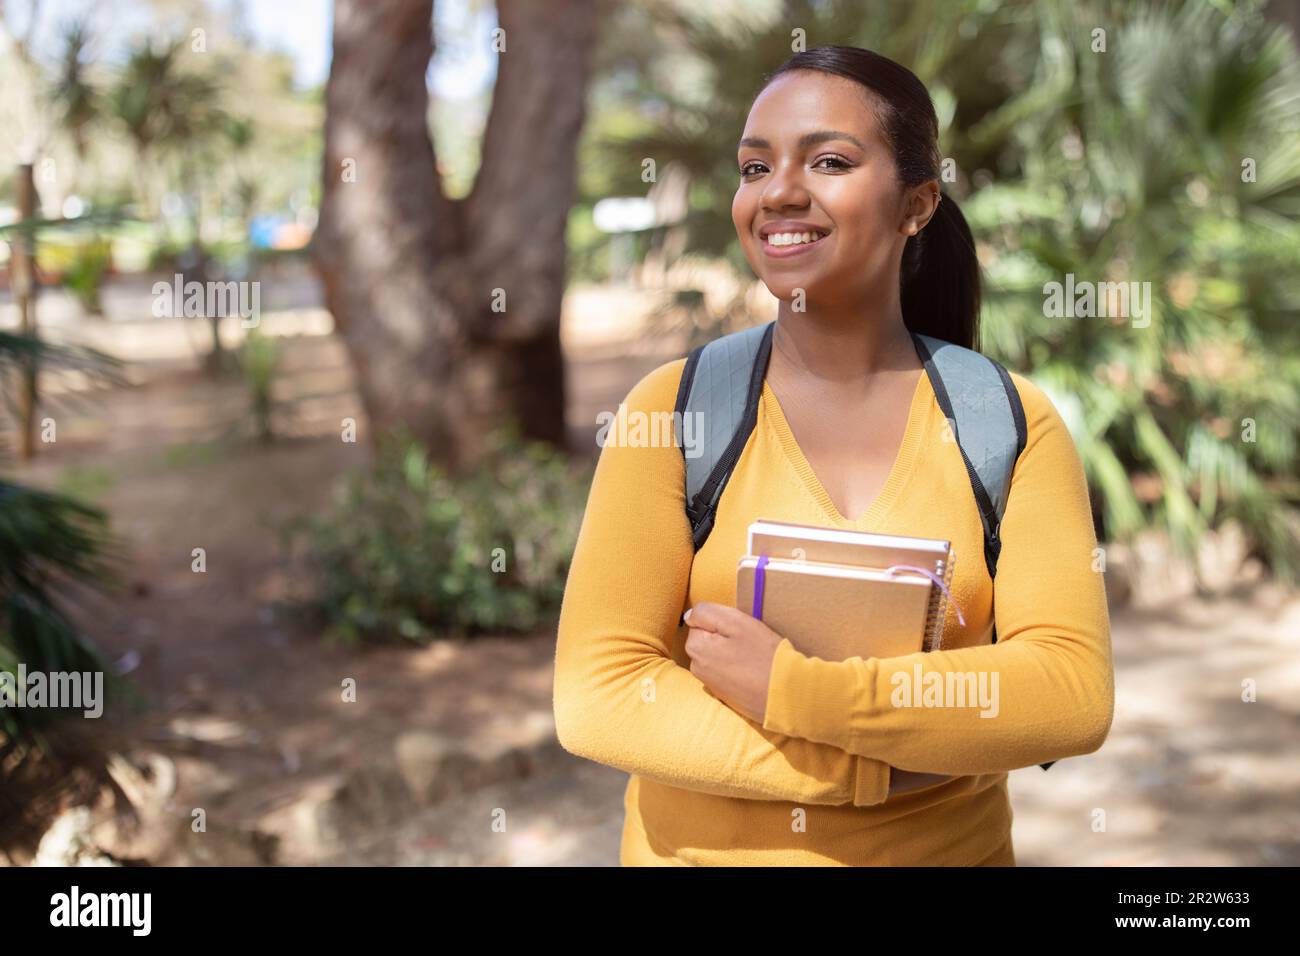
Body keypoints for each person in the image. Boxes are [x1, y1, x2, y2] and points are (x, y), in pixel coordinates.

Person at [553, 45, 1113, 866]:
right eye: (754, 166)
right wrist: (873, 769)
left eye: (829, 160)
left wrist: (796, 691)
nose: (778, 191)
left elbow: (1068, 694)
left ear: (916, 204)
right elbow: (600, 697)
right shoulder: (673, 412)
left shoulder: (1009, 422)